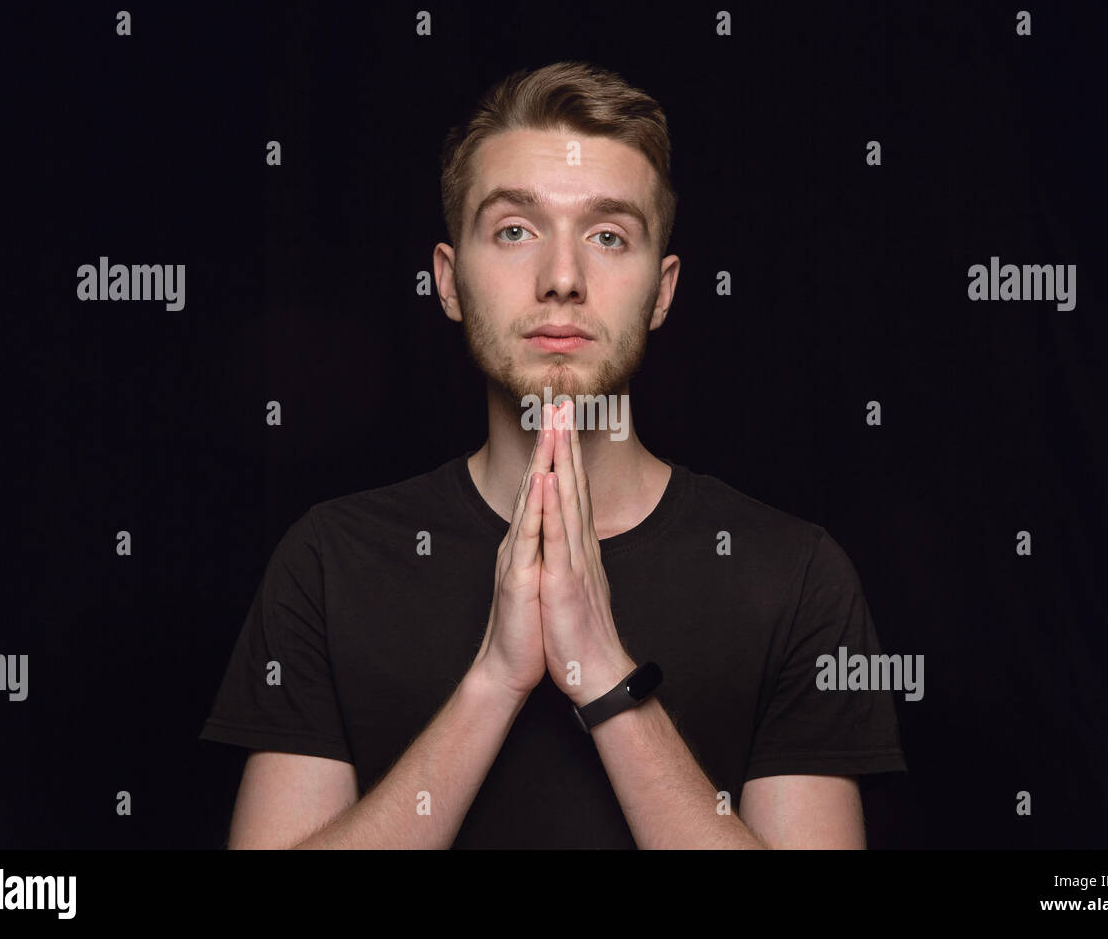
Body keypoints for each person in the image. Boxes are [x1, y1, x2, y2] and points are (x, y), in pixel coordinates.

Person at [198, 60, 906, 848]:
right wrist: (494, 682)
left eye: (608, 236)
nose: (562, 277)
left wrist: (603, 674)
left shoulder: (795, 575)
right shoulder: (330, 561)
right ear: (448, 280)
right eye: (514, 231)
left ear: (663, 290)